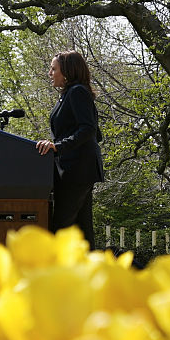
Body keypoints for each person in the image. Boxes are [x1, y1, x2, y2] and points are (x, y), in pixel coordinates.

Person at [36, 50, 104, 247]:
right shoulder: (67, 95)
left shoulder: (77, 92)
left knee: (62, 228)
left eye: (53, 69)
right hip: (73, 170)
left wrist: (57, 147)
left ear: (67, 71)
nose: (50, 73)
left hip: (77, 170)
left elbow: (89, 129)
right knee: (82, 229)